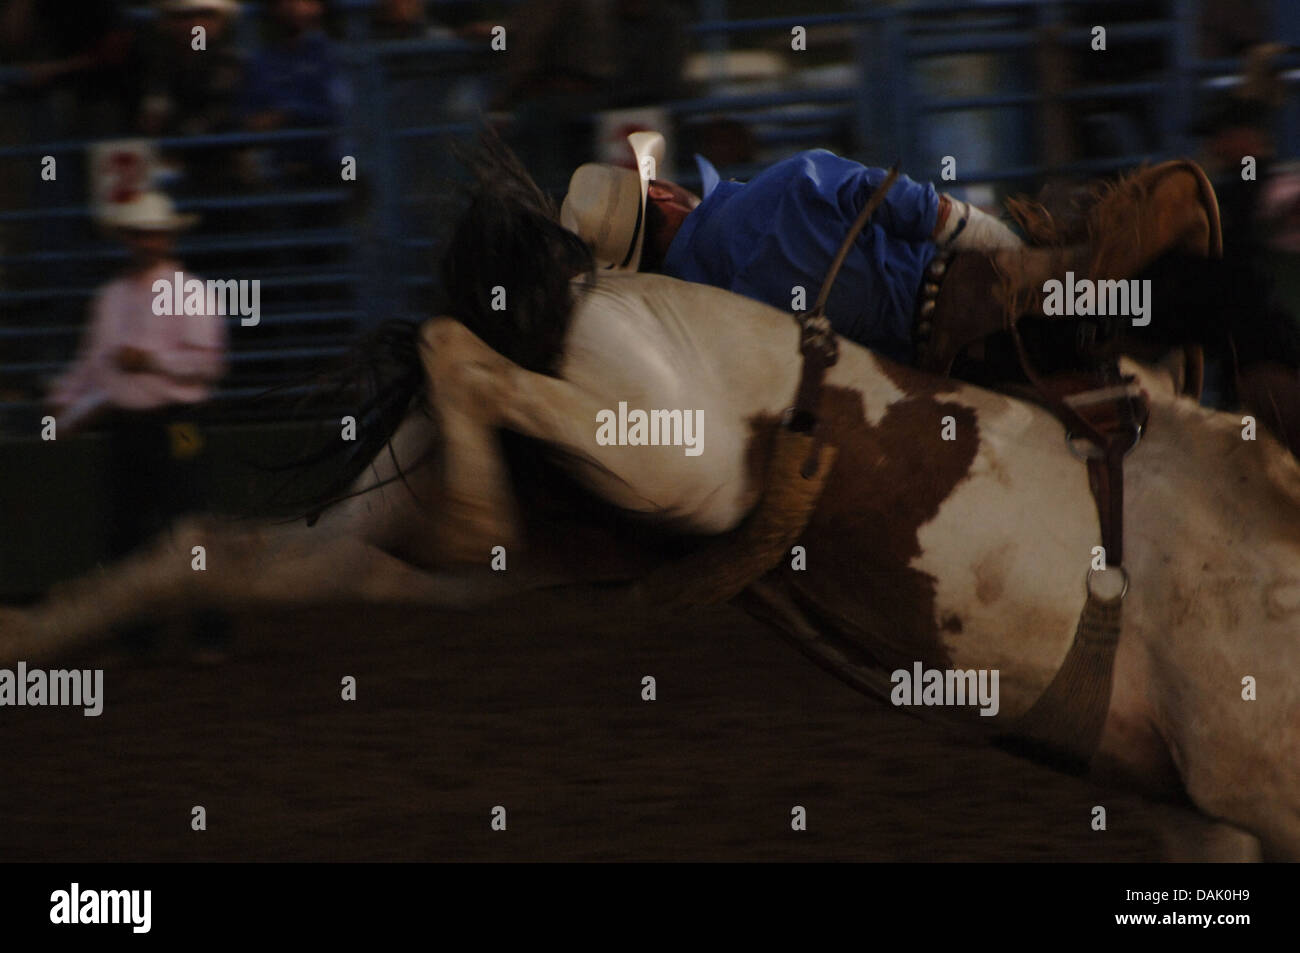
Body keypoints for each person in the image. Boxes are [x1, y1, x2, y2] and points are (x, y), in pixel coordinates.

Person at [560, 132, 1219, 380]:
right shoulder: (791, 182)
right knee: (1139, 287)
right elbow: (917, 207)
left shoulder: (706, 322)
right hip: (967, 299)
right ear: (668, 199)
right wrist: (1001, 243)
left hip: (919, 383)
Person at [47, 190, 231, 659]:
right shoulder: (111, 297)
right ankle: (139, 632)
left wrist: (148, 360)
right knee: (128, 529)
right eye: (141, 233)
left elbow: (208, 365)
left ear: (166, 237)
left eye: (154, 233)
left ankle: (208, 629)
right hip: (131, 424)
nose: (148, 241)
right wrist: (63, 402)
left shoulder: (188, 290)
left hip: (176, 421)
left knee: (187, 527)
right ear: (130, 239)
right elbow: (93, 364)